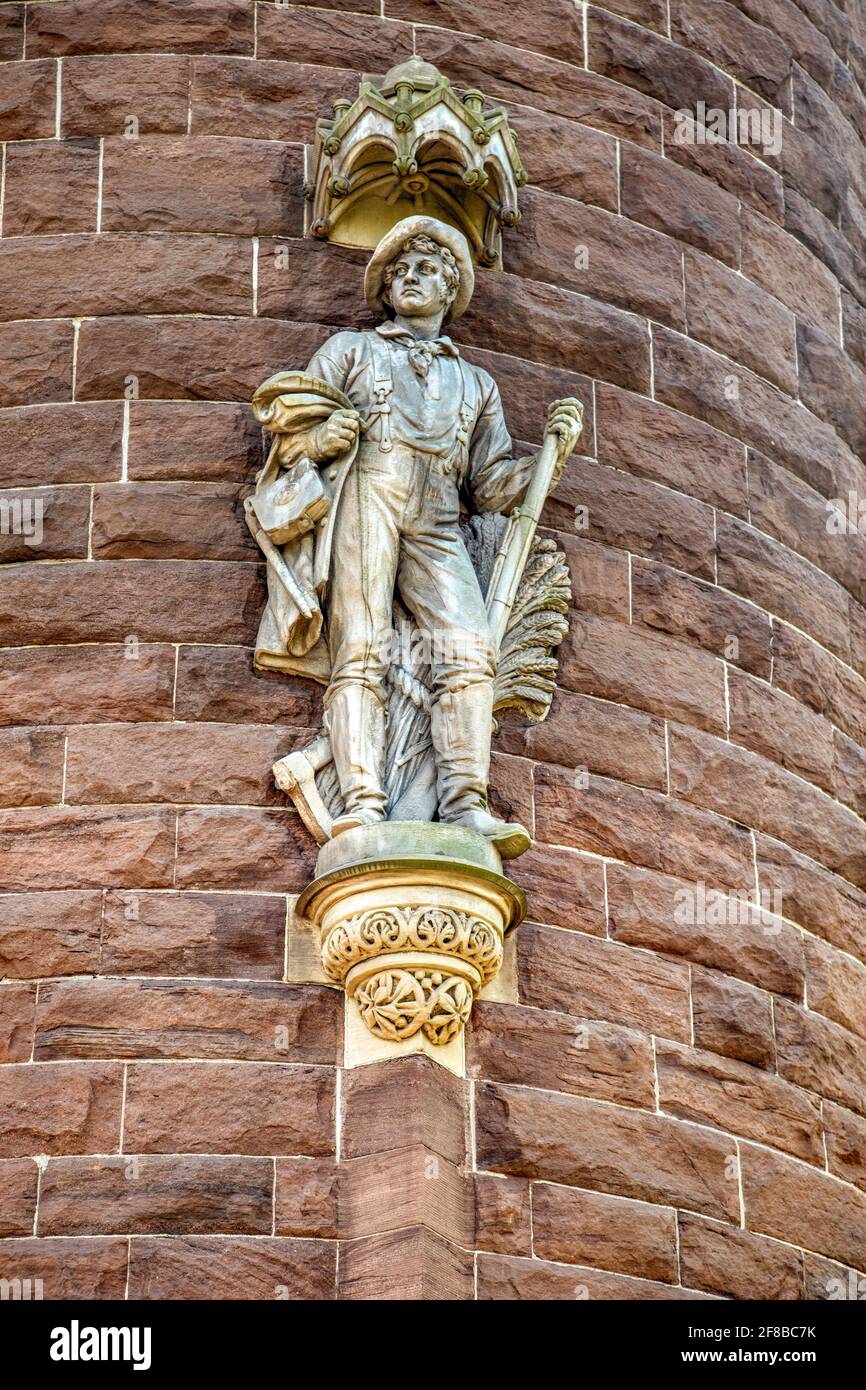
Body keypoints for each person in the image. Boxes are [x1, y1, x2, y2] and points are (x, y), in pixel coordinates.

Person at [251, 215, 583, 857]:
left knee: (469, 650)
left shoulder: (476, 384)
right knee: (362, 650)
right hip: (367, 503)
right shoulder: (351, 352)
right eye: (400, 270)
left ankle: (466, 803)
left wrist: (549, 456)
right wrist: (320, 441)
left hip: (435, 517)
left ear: (451, 286)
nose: (410, 277)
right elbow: (287, 432)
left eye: (425, 269)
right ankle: (363, 805)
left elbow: (488, 486)